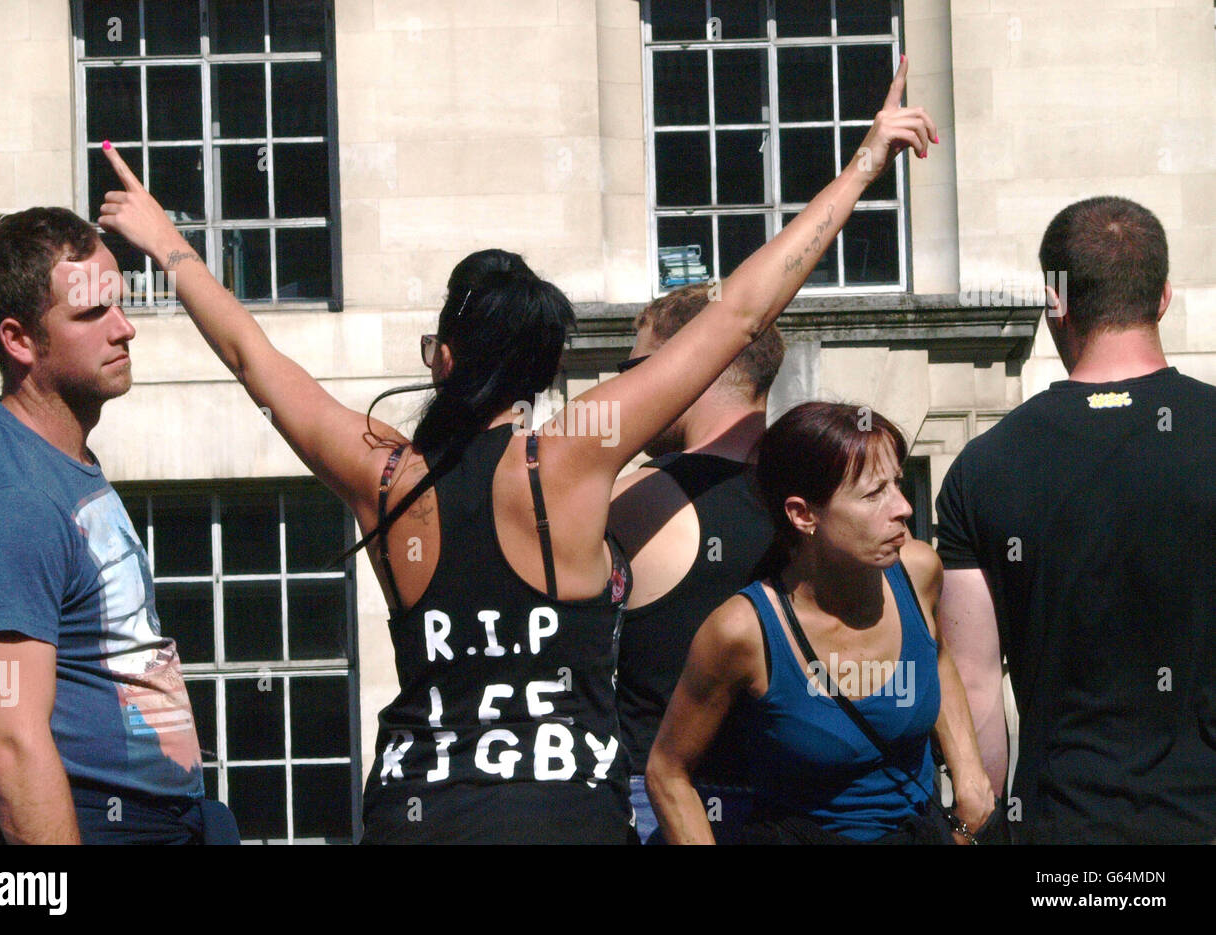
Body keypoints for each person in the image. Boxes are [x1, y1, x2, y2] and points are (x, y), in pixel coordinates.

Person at [96, 59, 937, 843]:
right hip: (561, 810)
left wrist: (166, 240)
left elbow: (252, 358)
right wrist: (864, 162)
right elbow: (740, 314)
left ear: (447, 357)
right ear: (541, 371)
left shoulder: (383, 473)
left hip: (415, 807)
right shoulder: (573, 454)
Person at [0, 208, 234, 844]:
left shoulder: (60, 463)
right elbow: (12, 745)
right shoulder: (9, 502)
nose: (125, 330)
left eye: (118, 303)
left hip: (163, 819)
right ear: (20, 340)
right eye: (92, 314)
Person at [935, 196, 1216, 844]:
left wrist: (980, 826)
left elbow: (976, 684)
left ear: (1054, 301)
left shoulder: (984, 468)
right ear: (1164, 296)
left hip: (1062, 831)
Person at [647, 402, 995, 844]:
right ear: (803, 515)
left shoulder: (919, 571)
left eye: (898, 485)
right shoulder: (744, 631)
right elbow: (667, 771)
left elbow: (936, 652)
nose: (904, 508)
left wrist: (970, 777)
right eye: (874, 494)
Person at [608, 283, 782, 842]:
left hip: (656, 800)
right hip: (792, 804)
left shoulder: (629, 499)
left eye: (633, 365)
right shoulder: (821, 496)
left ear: (683, 364)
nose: (623, 384)